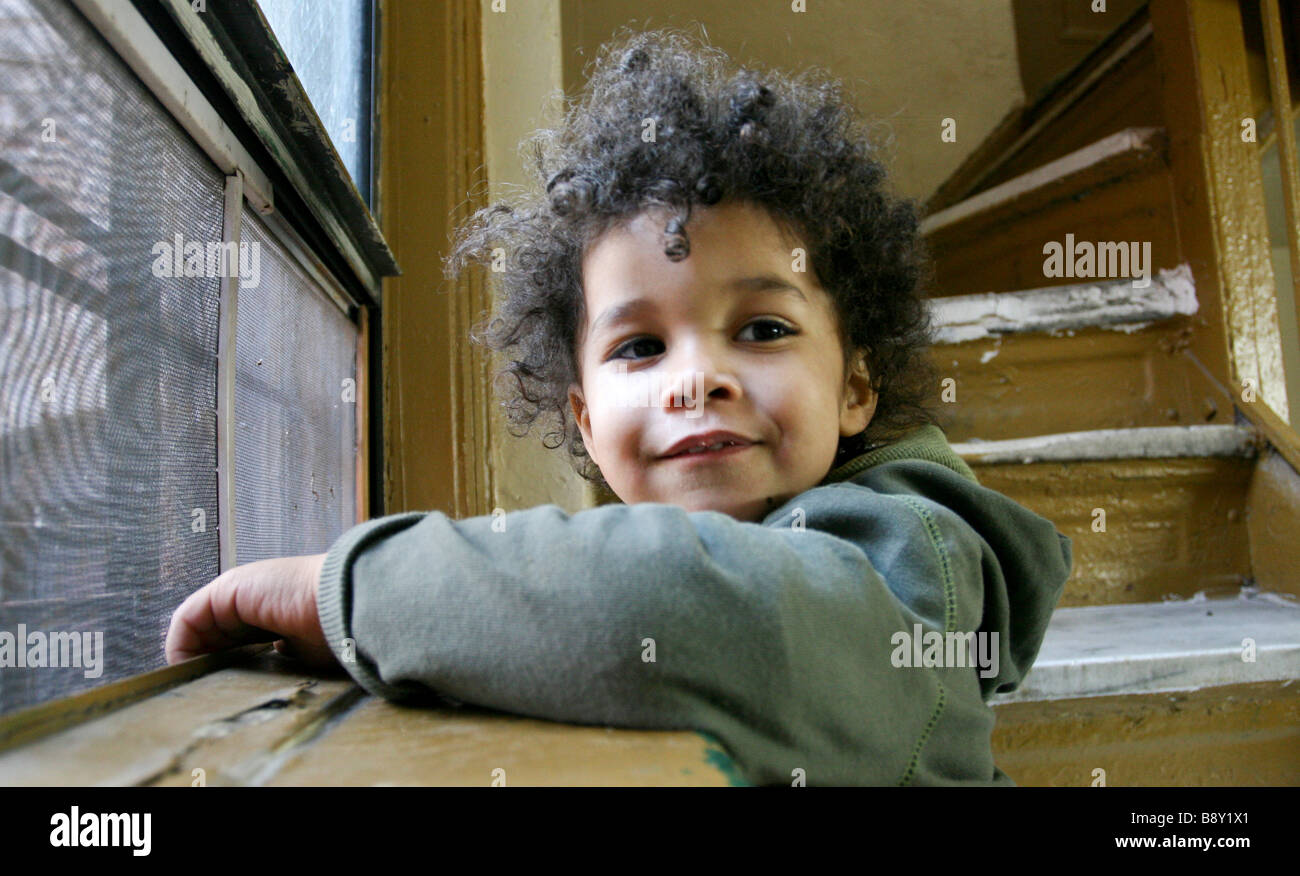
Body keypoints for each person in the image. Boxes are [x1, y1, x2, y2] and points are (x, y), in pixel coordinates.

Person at [165, 27, 1072, 785]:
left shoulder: (911, 560)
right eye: (639, 346)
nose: (696, 378)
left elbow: (691, 605)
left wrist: (350, 593)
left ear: (855, 390)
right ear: (588, 424)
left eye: (760, 329)